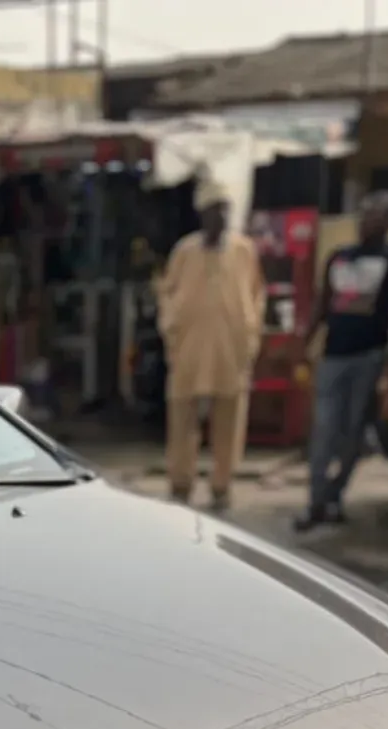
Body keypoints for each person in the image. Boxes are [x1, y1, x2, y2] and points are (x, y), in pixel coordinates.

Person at [296, 190, 388, 531]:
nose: (366, 220)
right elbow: (323, 302)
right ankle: (315, 502)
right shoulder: (339, 257)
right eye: (364, 213)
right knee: (323, 431)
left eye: (375, 214)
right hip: (332, 356)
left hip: (369, 357)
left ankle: (335, 497)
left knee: (354, 434)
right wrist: (303, 342)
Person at [158, 182, 266, 513]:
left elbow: (256, 294)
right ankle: (180, 483)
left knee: (229, 420)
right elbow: (167, 293)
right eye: (213, 210)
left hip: (230, 347)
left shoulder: (243, 250)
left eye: (224, 210)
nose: (219, 217)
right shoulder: (185, 251)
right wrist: (171, 331)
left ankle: (222, 485)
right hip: (189, 346)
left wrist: (250, 334)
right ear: (201, 213)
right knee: (182, 418)